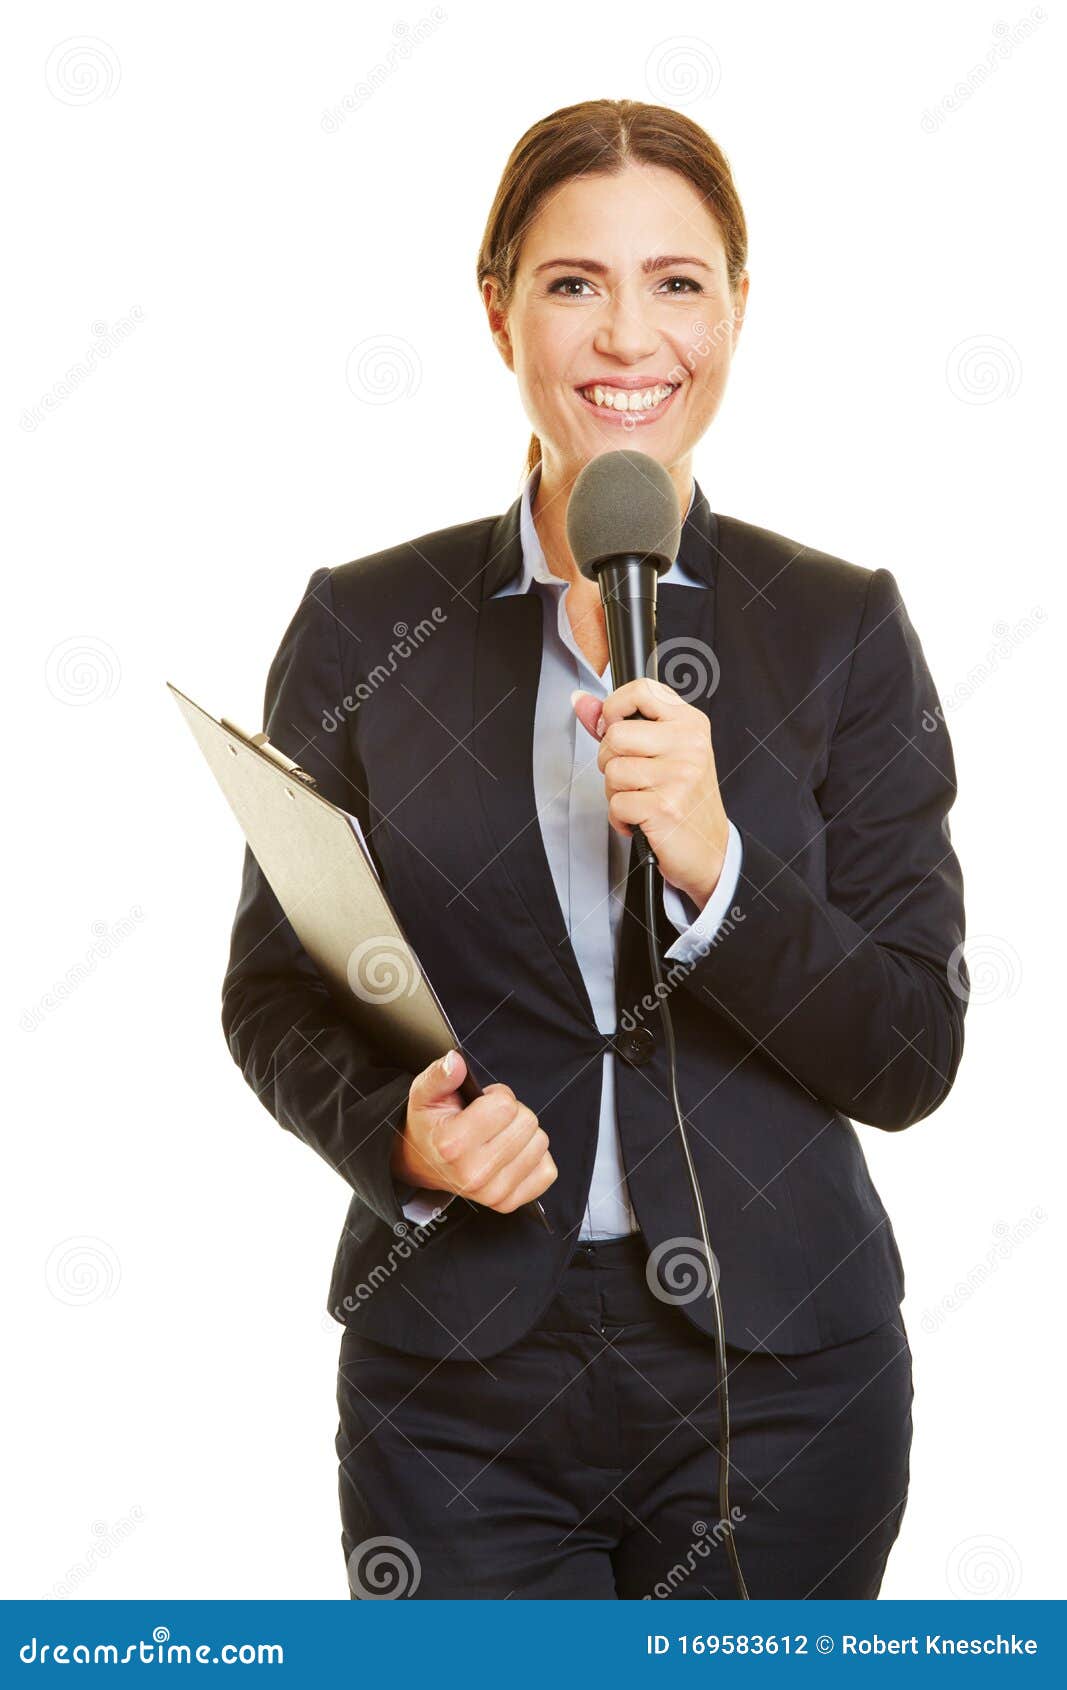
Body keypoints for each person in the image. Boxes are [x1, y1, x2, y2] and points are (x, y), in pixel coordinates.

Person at [221, 99, 967, 1600]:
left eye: (677, 282)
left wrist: (720, 865)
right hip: (455, 1391)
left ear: (738, 311)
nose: (630, 335)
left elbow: (909, 1050)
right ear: (497, 308)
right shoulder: (368, 624)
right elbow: (276, 991)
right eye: (575, 283)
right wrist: (397, 1136)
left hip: (787, 1385)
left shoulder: (839, 629)